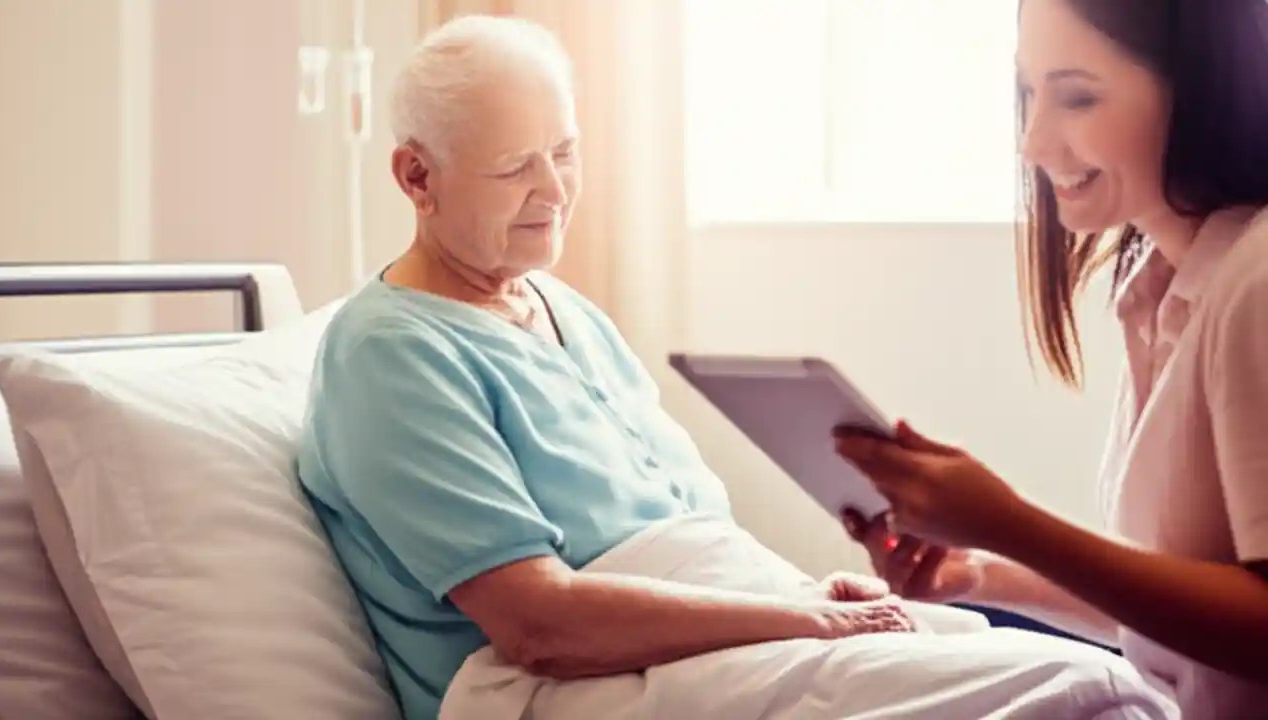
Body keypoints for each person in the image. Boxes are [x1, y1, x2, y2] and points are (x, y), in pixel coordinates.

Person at [298, 14, 1175, 720]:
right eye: (514, 168)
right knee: (1067, 695)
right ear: (417, 176)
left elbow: (689, 540)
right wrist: (801, 617)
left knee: (1060, 672)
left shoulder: (566, 311)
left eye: (564, 154)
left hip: (725, 631)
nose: (556, 192)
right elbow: (538, 625)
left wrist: (799, 592)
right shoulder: (390, 351)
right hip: (564, 685)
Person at [834, 1, 1268, 718]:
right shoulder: (1160, 292)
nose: (1032, 142)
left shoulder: (1255, 280)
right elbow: (1180, 621)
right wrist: (982, 571)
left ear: (1203, 89)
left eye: (1077, 96)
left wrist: (1014, 524)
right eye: (1029, 93)